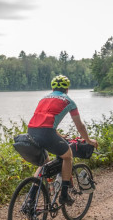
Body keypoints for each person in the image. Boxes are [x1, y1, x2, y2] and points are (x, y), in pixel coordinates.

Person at [27, 74, 98, 205]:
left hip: (30, 131)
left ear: (52, 88)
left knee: (43, 164)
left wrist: (58, 136)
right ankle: (64, 195)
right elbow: (80, 126)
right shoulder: (68, 101)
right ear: (67, 89)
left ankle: (31, 198)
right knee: (68, 156)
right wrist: (88, 140)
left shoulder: (43, 98)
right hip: (47, 133)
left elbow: (43, 121)